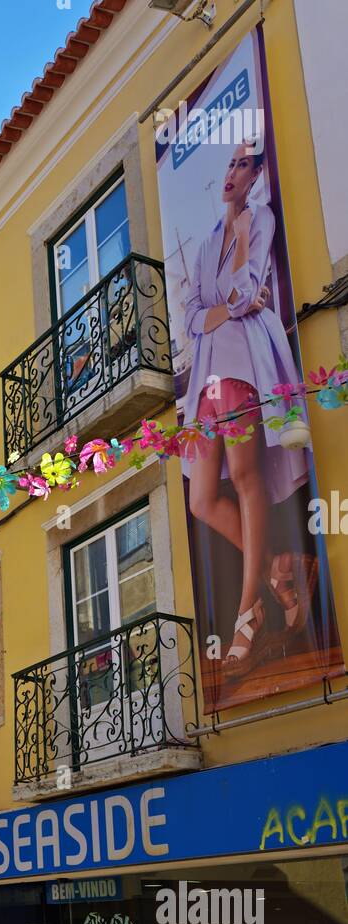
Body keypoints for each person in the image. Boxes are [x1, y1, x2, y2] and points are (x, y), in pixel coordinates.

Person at [183, 141, 315, 680]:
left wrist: (238, 273)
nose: (232, 173)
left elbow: (245, 290)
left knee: (242, 475)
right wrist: (229, 305)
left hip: (242, 362)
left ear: (257, 175)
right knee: (199, 498)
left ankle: (246, 615)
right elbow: (192, 316)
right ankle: (280, 573)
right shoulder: (208, 240)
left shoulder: (258, 220)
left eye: (243, 165)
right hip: (206, 376)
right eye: (229, 164)